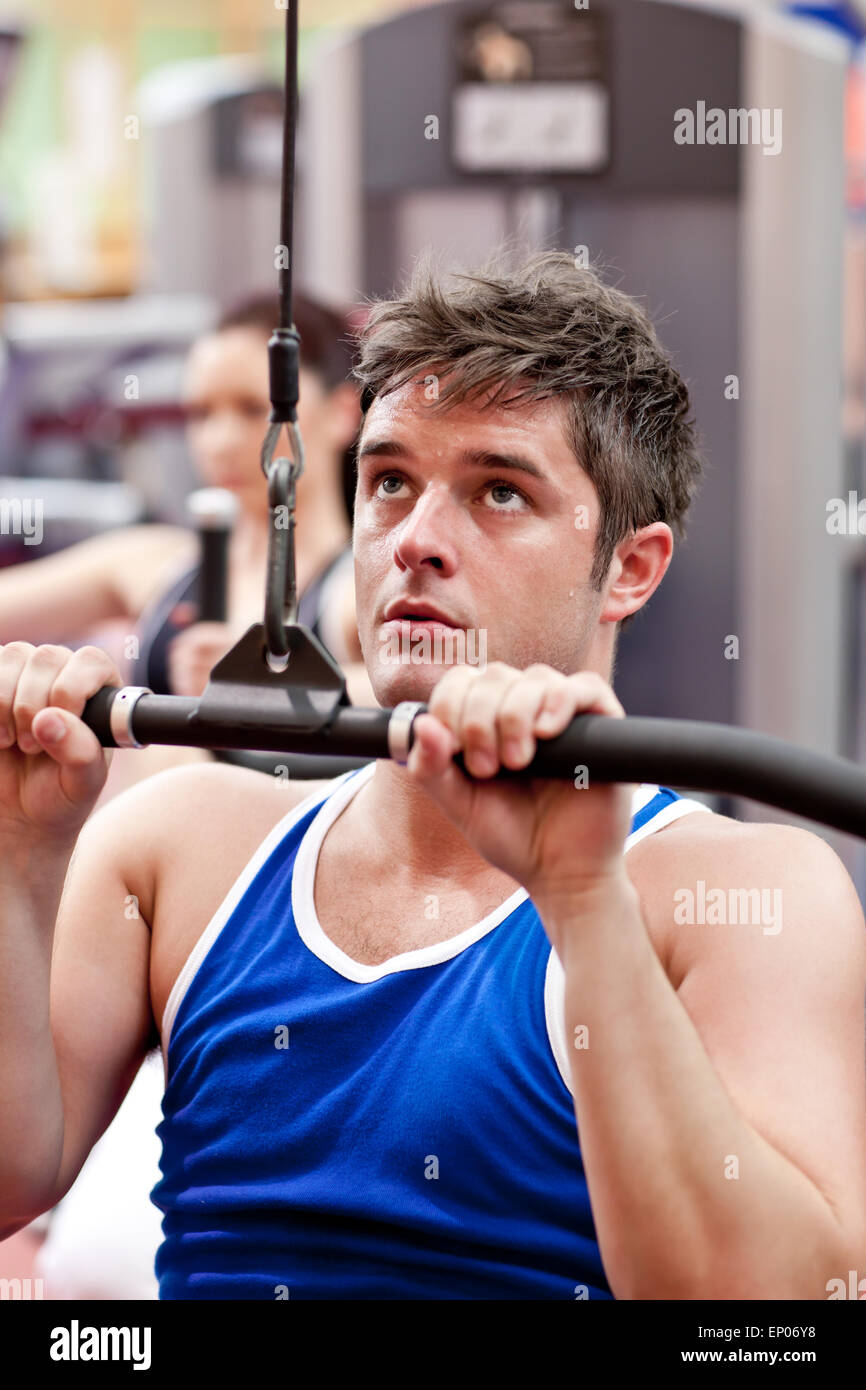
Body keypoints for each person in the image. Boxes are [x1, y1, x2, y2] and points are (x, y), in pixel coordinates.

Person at [0, 248, 863, 1300]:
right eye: (389, 481)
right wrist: (17, 860)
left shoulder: (749, 897)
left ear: (628, 569)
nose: (414, 540)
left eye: (497, 491)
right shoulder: (180, 845)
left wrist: (582, 901)